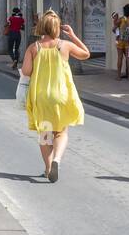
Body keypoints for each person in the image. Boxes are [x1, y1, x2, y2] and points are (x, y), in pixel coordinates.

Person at [22, 10, 88, 182]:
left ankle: (48, 167)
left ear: (42, 26)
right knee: (61, 131)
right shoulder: (64, 45)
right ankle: (58, 159)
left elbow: (26, 72)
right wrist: (72, 35)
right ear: (57, 28)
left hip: (41, 96)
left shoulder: (34, 47)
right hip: (61, 95)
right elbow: (85, 54)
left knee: (45, 134)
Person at [116, 4, 129, 81]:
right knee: (128, 59)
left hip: (120, 40)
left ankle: (118, 76)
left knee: (120, 58)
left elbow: (114, 27)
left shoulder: (122, 19)